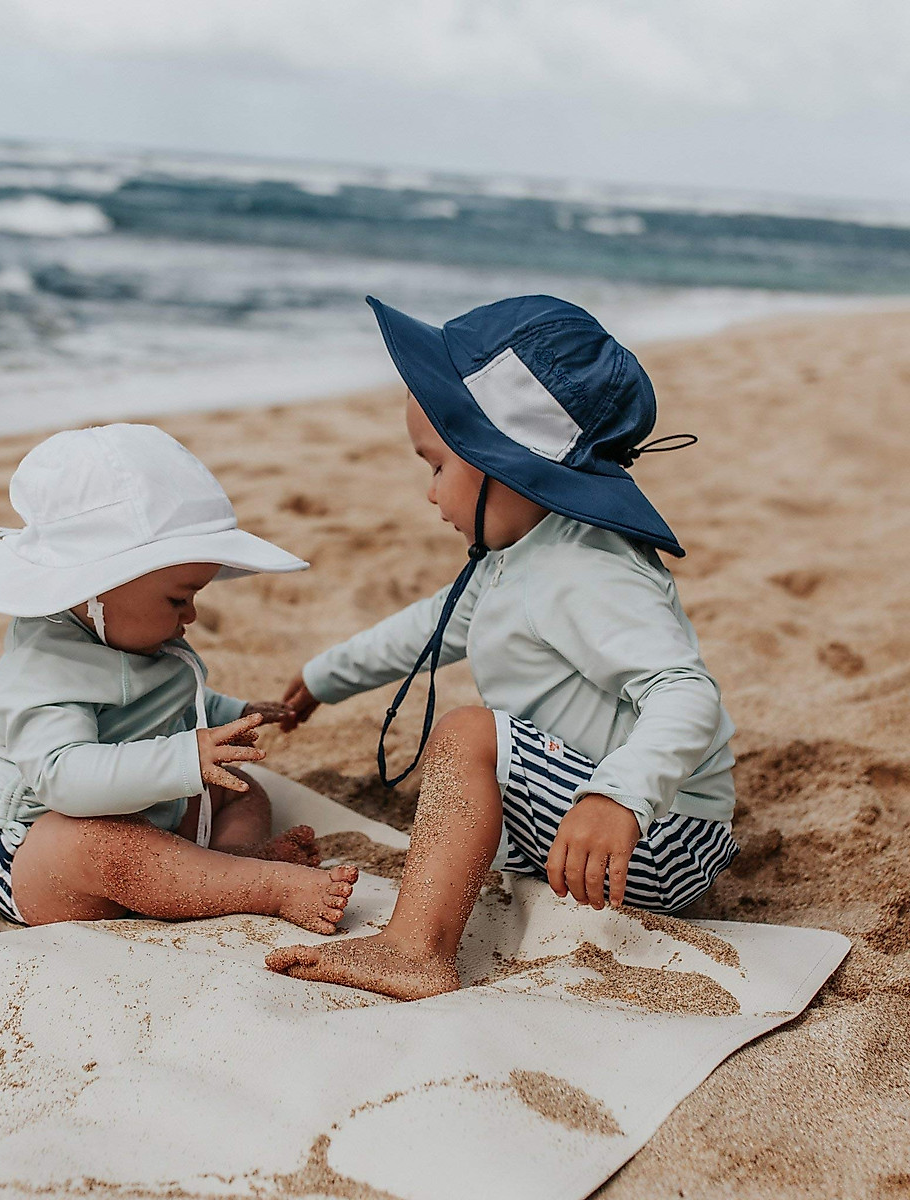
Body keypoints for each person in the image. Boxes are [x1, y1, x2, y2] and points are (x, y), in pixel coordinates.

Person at [266, 295, 737, 1001]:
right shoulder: (520, 556)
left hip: (655, 836)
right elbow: (430, 626)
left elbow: (684, 691)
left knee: (467, 736)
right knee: (475, 754)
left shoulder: (587, 568)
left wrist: (618, 798)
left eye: (435, 467)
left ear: (504, 461)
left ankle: (414, 950)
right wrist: (323, 675)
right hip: (610, 816)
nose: (430, 495)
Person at [0, 423, 358, 930]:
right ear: (97, 585)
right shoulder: (42, 669)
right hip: (37, 849)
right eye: (178, 599)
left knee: (240, 789)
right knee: (96, 844)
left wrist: (234, 712)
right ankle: (259, 886)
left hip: (146, 807)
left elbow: (169, 700)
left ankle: (231, 861)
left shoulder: (134, 633)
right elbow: (62, 776)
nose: (191, 616)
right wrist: (183, 756)